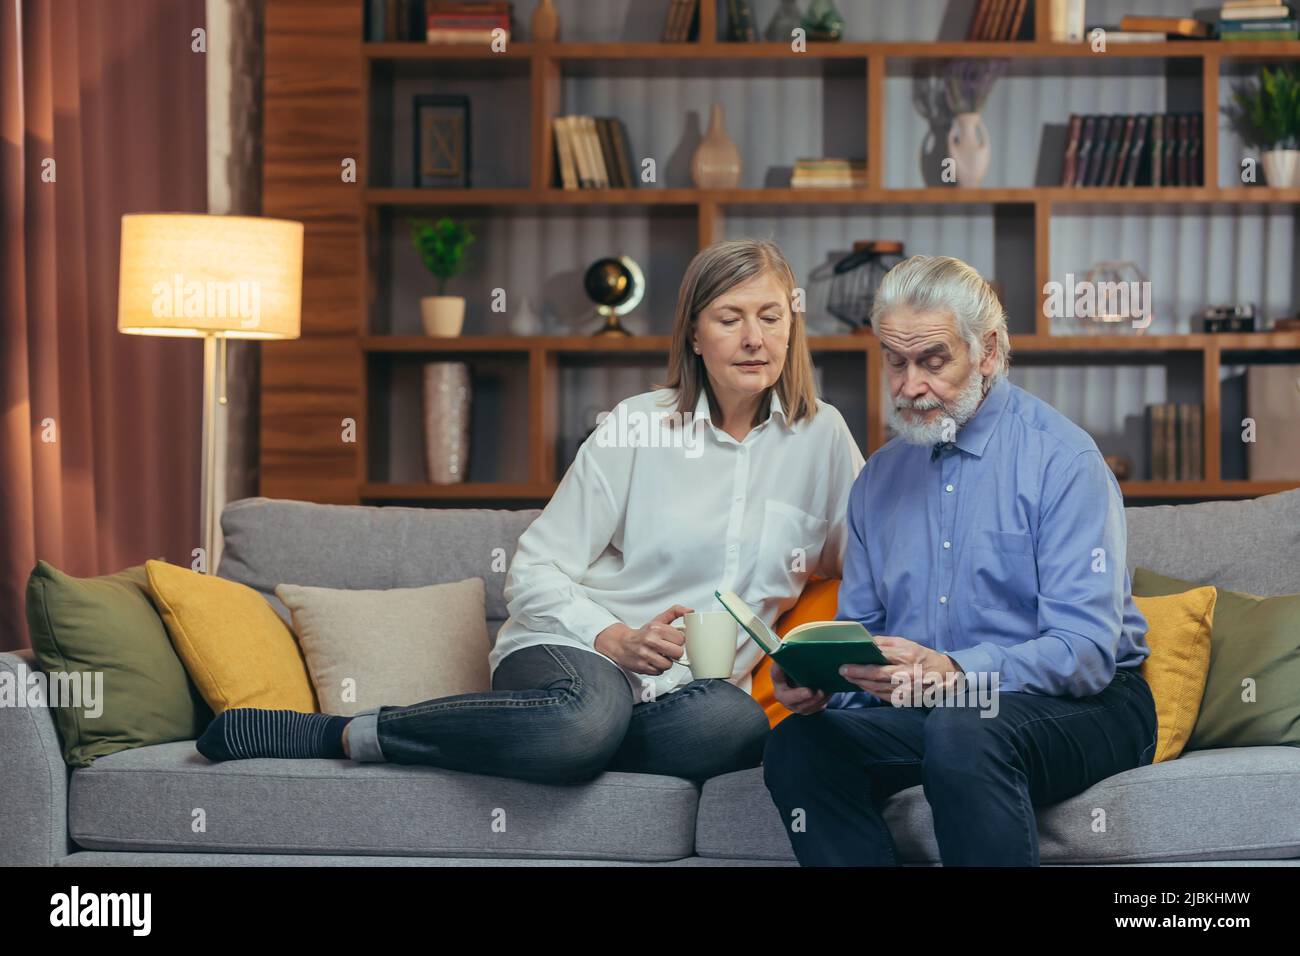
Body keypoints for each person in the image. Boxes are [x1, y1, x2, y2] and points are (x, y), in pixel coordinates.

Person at [196, 238, 865, 784]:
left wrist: (817, 665)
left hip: (691, 695)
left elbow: (870, 561)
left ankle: (541, 746)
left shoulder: (824, 439)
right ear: (694, 334)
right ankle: (349, 731)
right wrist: (616, 638)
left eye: (770, 317)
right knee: (583, 718)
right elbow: (535, 571)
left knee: (737, 726)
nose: (754, 338)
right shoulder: (637, 426)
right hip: (574, 652)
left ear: (792, 326)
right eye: (730, 318)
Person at [763, 254, 1157, 865]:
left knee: (963, 725)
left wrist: (952, 671)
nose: (909, 386)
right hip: (940, 708)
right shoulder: (878, 481)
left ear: (989, 351)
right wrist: (826, 682)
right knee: (801, 746)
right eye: (895, 361)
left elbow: (1085, 650)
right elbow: (865, 639)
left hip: (1089, 705)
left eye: (933, 360)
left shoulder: (1064, 461)